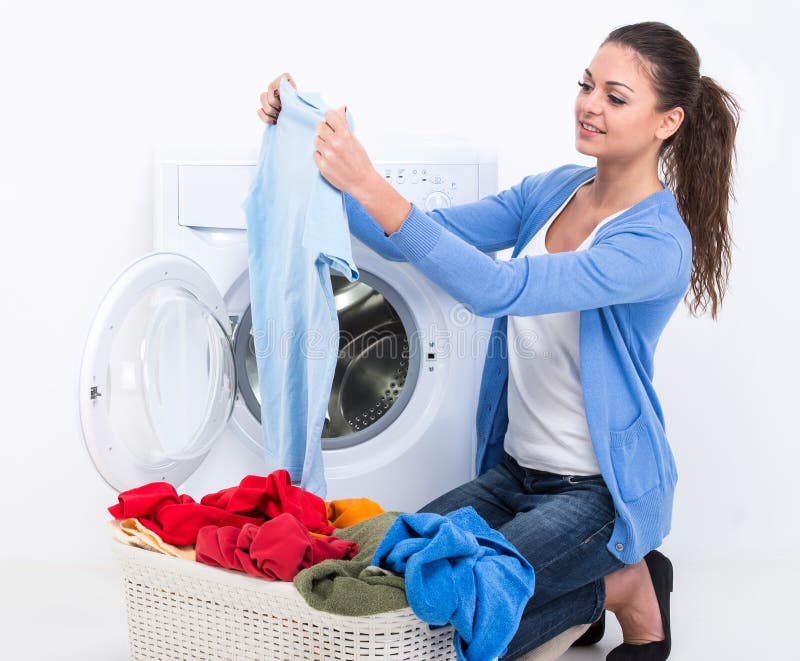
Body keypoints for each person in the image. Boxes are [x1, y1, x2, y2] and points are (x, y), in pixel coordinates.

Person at [257, 20, 739, 661]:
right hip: (512, 475)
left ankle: (624, 582)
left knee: (455, 616)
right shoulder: (554, 191)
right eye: (586, 85)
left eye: (616, 97)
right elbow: (421, 236)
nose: (590, 105)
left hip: (596, 497)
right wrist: (308, 151)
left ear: (667, 122)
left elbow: (495, 288)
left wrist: (368, 179)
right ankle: (585, 586)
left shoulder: (654, 244)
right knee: (387, 562)